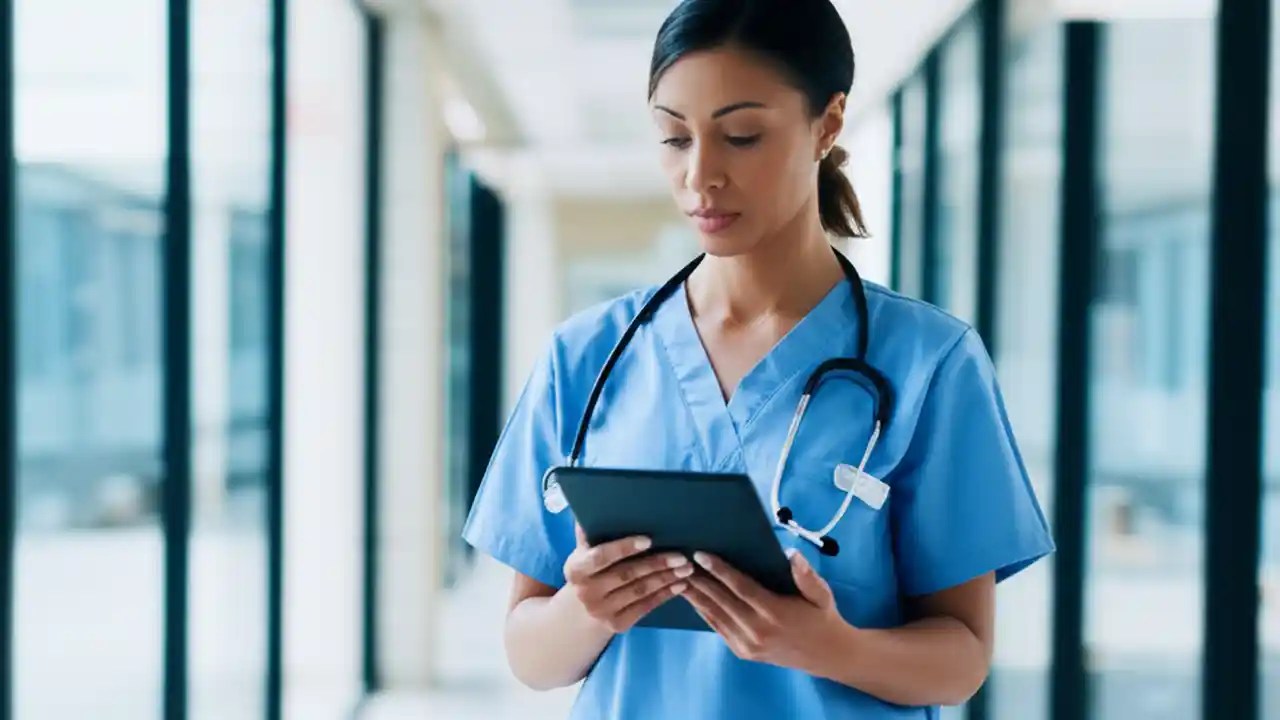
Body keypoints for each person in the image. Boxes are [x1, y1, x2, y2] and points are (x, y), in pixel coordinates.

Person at [461, 0, 1055, 717]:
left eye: (742, 136)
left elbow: (960, 658)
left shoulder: (930, 363)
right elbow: (530, 655)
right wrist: (587, 608)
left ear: (827, 124)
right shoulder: (586, 357)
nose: (701, 176)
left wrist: (826, 645)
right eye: (674, 138)